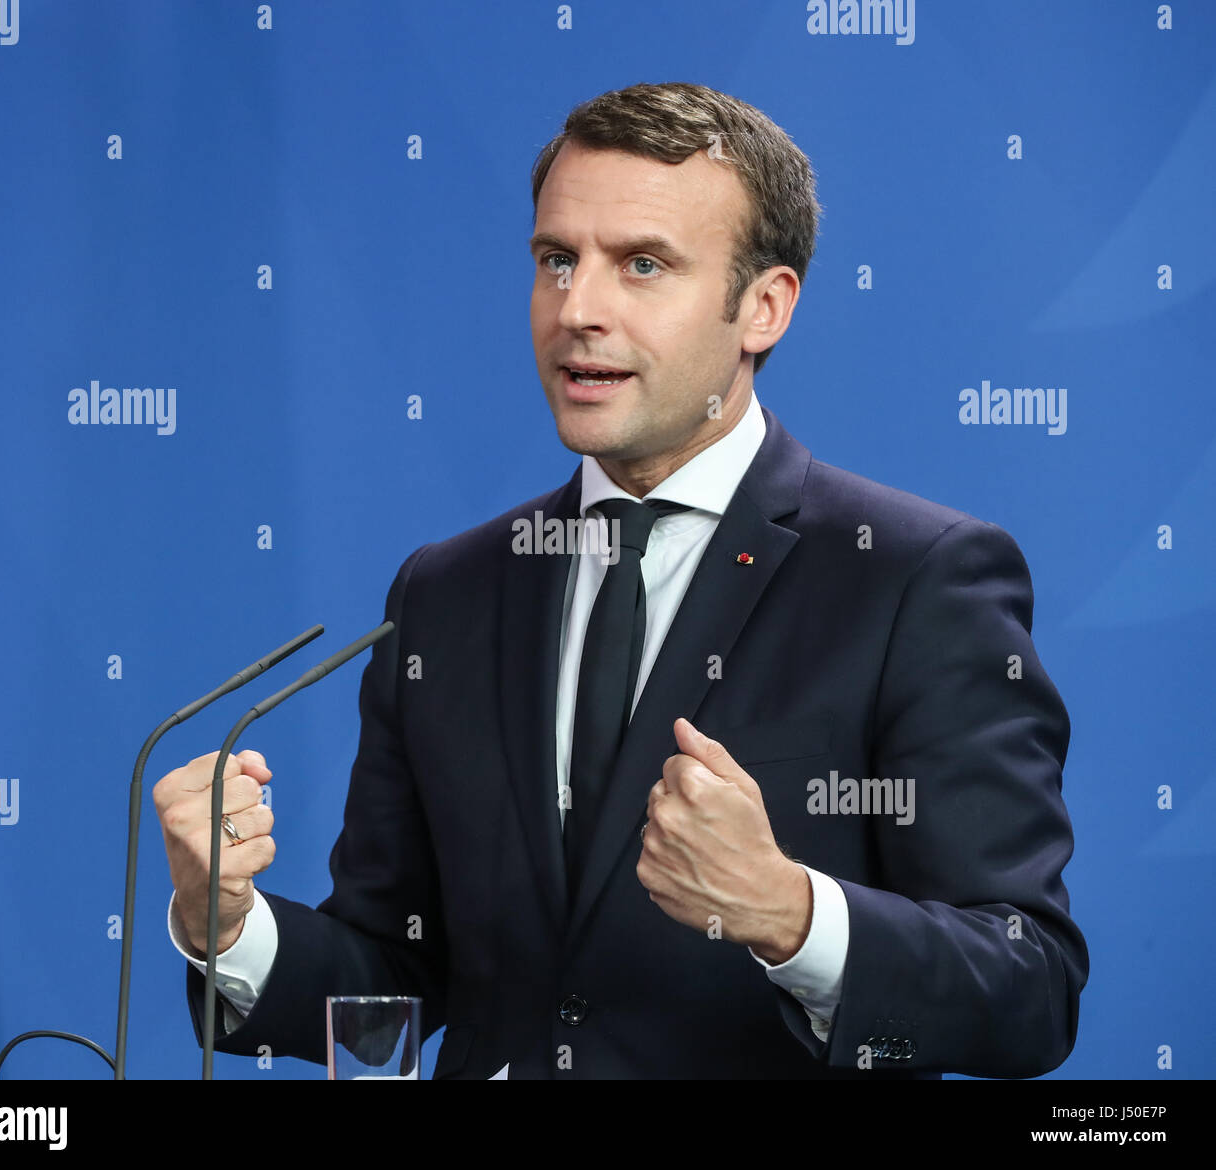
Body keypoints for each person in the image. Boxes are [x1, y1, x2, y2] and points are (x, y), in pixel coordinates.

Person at [154, 81, 1088, 1079]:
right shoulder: (448, 592)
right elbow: (398, 978)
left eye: (642, 265)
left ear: (762, 307)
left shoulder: (913, 579)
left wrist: (789, 914)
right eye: (556, 261)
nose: (577, 309)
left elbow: (1026, 997)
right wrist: (227, 922)